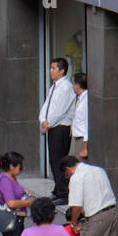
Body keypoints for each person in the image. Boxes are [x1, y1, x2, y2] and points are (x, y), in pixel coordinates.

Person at [39, 57, 76, 201]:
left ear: (62, 71)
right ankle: (58, 188)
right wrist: (42, 120)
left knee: (59, 160)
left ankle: (64, 192)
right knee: (54, 160)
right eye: (51, 68)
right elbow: (46, 107)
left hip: (60, 127)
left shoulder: (66, 87)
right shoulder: (54, 86)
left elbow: (60, 111)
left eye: (54, 68)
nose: (50, 71)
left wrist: (47, 125)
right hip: (52, 127)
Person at [70, 72, 88, 159]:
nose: (72, 87)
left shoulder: (86, 100)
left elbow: (87, 124)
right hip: (77, 139)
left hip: (83, 140)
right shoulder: (80, 98)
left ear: (77, 85)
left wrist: (85, 147)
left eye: (73, 84)